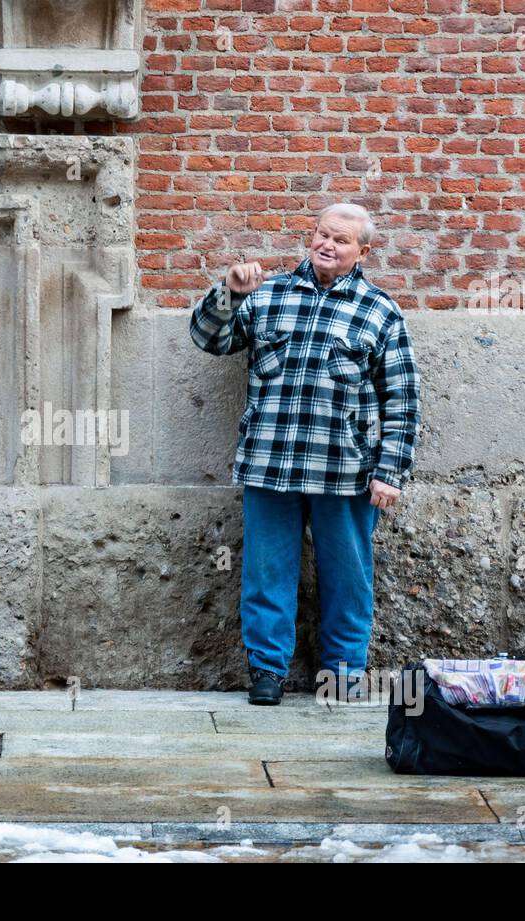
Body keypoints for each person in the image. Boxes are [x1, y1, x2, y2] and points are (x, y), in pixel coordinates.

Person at [188, 203, 421, 706]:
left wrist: (390, 470)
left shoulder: (379, 311)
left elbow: (402, 398)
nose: (327, 244)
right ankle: (267, 672)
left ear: (364, 250)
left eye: (340, 239)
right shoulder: (267, 295)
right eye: (321, 234)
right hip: (270, 463)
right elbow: (208, 339)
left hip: (347, 472)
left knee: (348, 579)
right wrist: (229, 293)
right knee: (266, 573)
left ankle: (342, 674)